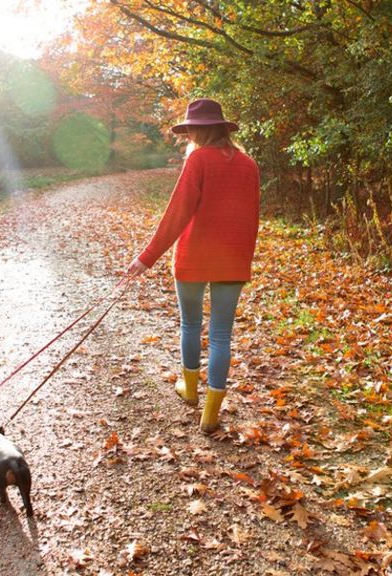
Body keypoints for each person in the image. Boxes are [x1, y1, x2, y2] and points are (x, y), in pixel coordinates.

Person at [127, 98, 260, 434]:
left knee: (190, 324)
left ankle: (189, 391)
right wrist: (242, 259)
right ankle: (210, 414)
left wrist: (147, 257)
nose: (190, 136)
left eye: (191, 131)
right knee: (221, 335)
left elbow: (178, 212)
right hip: (232, 260)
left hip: (194, 257)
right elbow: (251, 220)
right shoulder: (249, 165)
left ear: (201, 131)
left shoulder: (199, 160)